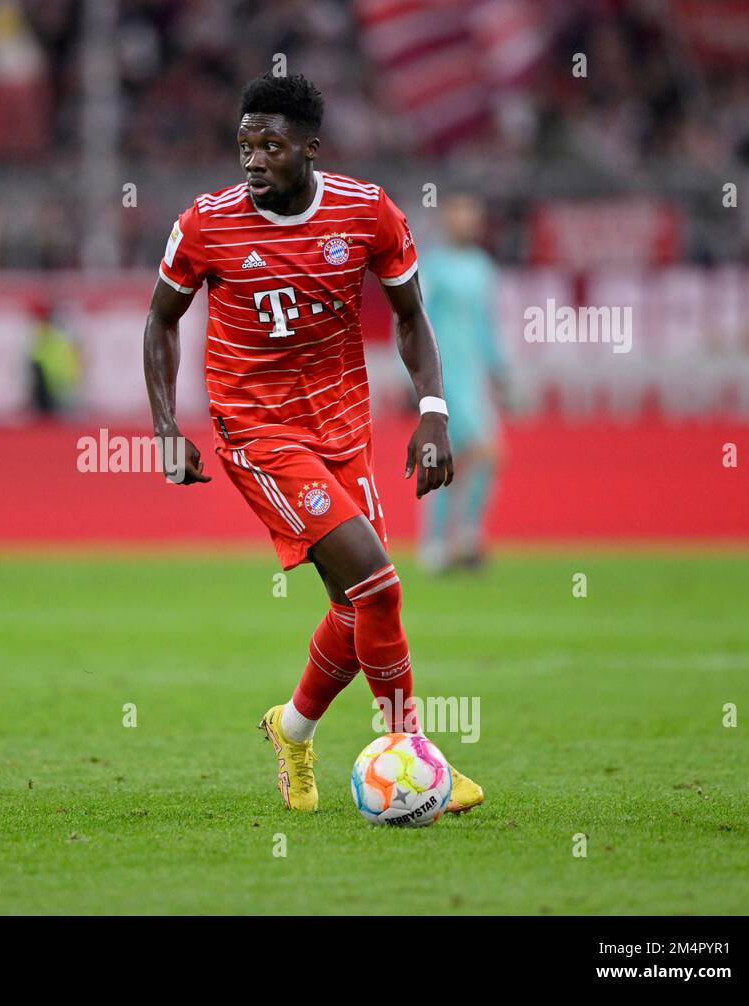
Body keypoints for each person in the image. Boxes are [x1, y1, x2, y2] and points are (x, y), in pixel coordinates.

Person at [142, 72, 483, 814]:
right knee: (381, 585)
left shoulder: (366, 213)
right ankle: (413, 755)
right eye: (245, 145)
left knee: (359, 608)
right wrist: (168, 427)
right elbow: (161, 319)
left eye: (272, 145)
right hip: (257, 430)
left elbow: (410, 314)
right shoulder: (207, 223)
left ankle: (291, 729)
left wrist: (433, 410)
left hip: (342, 426)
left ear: (310, 149)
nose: (254, 159)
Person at [415, 193, 507, 572]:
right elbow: (415, 320)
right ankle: (454, 539)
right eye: (458, 213)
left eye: (470, 214)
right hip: (445, 375)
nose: (464, 221)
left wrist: (500, 371)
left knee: (463, 459)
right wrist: (418, 378)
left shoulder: (483, 268)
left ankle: (448, 543)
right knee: (484, 451)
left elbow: (485, 327)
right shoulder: (434, 267)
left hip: (472, 376)